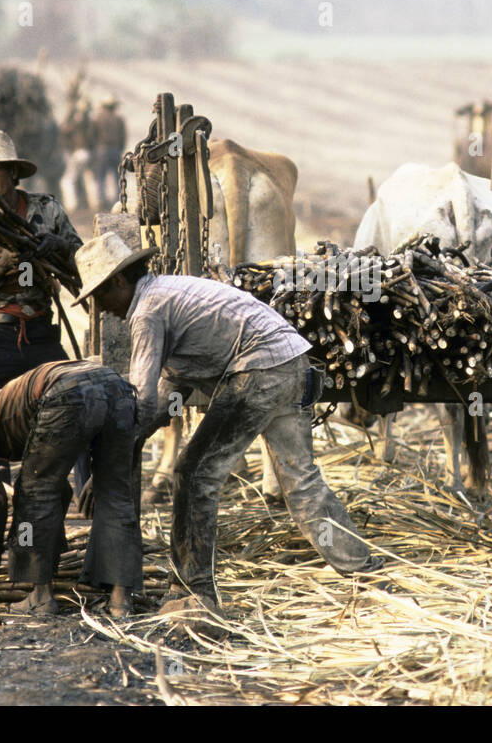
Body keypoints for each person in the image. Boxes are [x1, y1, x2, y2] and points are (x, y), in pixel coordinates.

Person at [73, 231, 377, 620]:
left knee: (194, 473)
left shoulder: (147, 311)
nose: (101, 308)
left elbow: (143, 401)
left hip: (260, 369)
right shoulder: (168, 294)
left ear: (119, 280)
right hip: (293, 363)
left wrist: (105, 467)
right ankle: (363, 571)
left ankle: (194, 590)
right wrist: (123, 450)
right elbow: (165, 396)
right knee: (301, 482)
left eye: (100, 295)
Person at [0, 362, 141, 616]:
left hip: (66, 391)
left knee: (33, 493)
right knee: (116, 495)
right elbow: (62, 490)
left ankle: (40, 596)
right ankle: (120, 601)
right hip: (116, 387)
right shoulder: (2, 408)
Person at [0, 129, 83, 393]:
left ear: (13, 173)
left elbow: (83, 263)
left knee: (74, 398)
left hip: (41, 331)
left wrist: (58, 247)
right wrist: (0, 266)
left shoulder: (47, 210)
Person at [92, 96, 128, 208]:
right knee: (117, 176)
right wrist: (120, 148)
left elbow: (92, 135)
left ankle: (101, 200)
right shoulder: (119, 119)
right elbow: (123, 136)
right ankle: (118, 200)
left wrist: (95, 148)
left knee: (100, 177)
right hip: (116, 150)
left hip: (102, 149)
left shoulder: (98, 118)